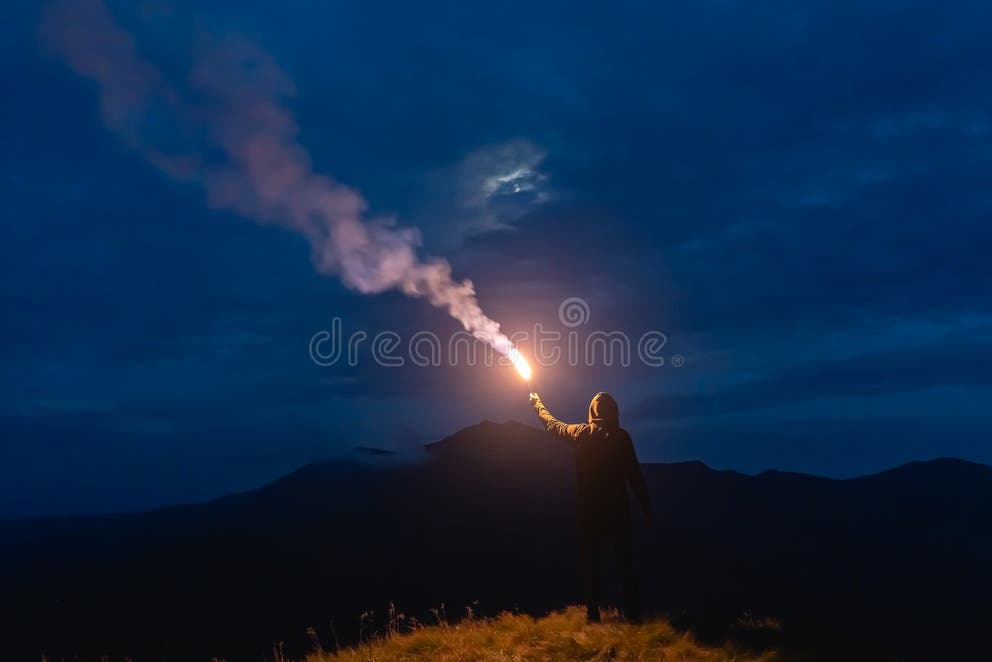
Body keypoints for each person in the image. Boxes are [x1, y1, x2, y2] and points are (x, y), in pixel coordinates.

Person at [529, 391, 652, 623]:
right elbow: (634, 475)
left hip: (590, 514)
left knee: (593, 565)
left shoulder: (581, 433)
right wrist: (646, 506)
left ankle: (592, 616)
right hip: (619, 513)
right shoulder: (622, 438)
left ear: (592, 411)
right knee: (626, 564)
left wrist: (537, 404)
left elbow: (552, 424)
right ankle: (635, 617)